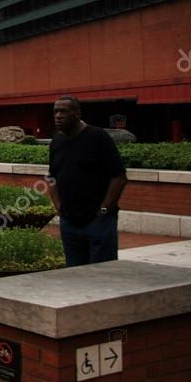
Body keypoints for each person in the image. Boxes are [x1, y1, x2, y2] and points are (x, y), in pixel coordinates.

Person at [46, 96, 128, 267]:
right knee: (75, 275)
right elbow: (51, 177)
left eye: (63, 111)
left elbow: (119, 177)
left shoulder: (98, 137)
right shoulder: (57, 141)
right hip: (69, 222)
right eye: (55, 111)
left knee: (102, 273)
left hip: (98, 221)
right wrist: (59, 207)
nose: (58, 116)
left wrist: (104, 210)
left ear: (77, 113)